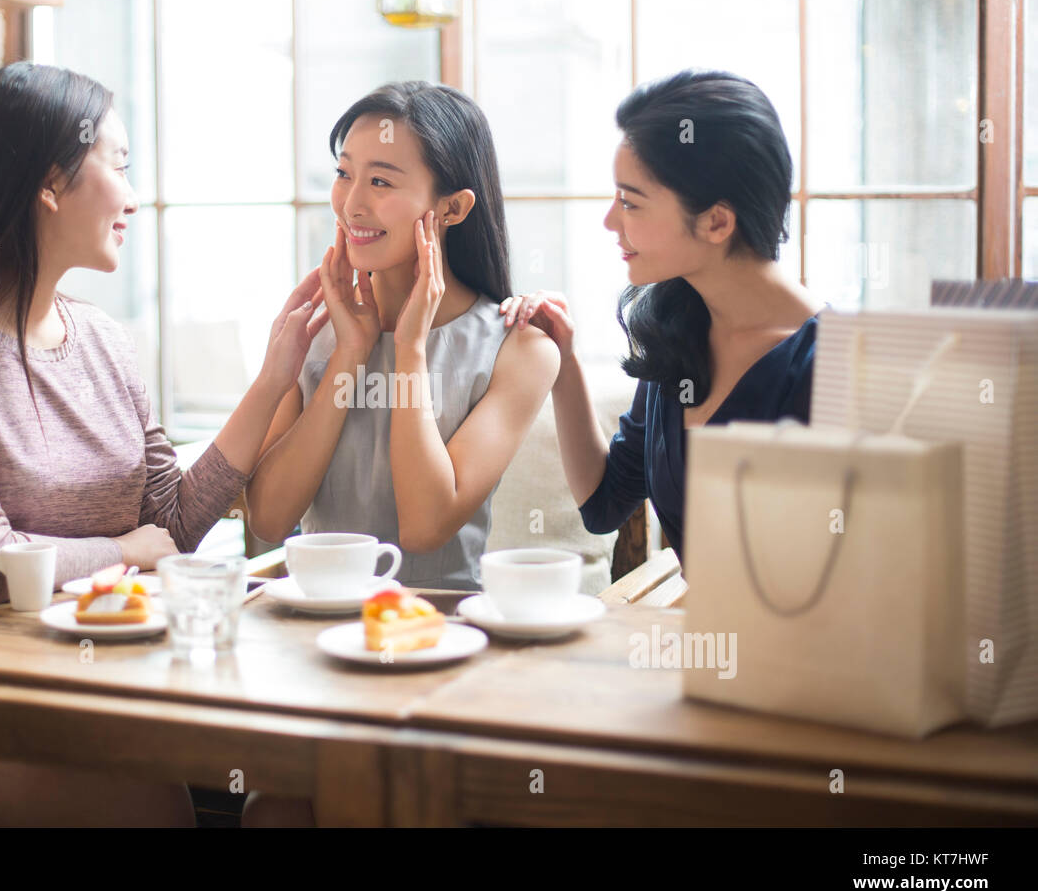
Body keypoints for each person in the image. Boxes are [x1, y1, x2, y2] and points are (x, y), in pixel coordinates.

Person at [0, 62, 328, 826]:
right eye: (120, 165)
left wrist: (274, 380)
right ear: (49, 183)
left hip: (80, 686)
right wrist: (130, 552)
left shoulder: (104, 338)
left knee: (285, 782)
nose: (133, 197)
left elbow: (172, 517)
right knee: (144, 799)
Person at [501, 69, 828, 563]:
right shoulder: (678, 327)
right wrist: (563, 362)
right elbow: (604, 504)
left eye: (631, 201)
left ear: (717, 220)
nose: (611, 221)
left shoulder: (829, 364)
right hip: (695, 635)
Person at [245, 81, 559, 590]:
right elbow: (268, 519)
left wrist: (410, 350)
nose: (351, 206)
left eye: (382, 183)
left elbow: (424, 527)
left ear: (452, 209)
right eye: (345, 174)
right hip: (312, 629)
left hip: (441, 635)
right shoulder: (311, 333)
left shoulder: (520, 350)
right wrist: (350, 352)